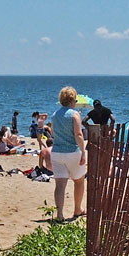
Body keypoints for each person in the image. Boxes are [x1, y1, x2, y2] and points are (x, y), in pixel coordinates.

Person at [49, 85, 87, 220]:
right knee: (79, 181)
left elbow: (53, 133)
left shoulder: (54, 115)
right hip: (72, 151)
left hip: (57, 152)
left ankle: (59, 214)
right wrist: (83, 151)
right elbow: (78, 134)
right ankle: (77, 209)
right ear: (72, 100)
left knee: (60, 184)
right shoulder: (74, 115)